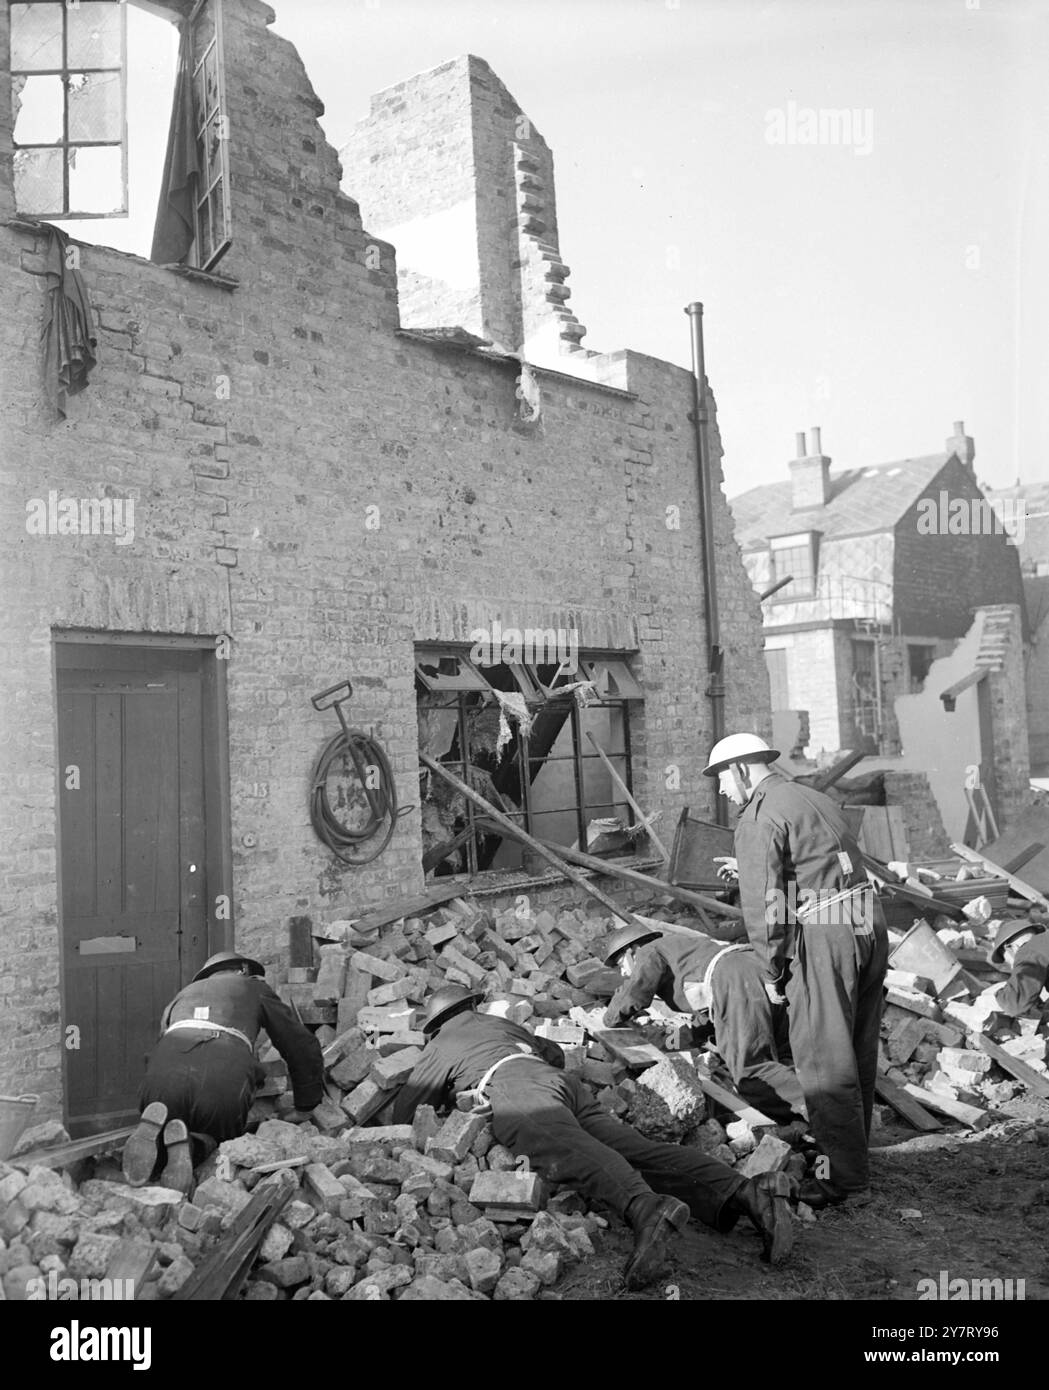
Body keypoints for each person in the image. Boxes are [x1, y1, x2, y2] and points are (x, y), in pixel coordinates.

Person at [391, 985, 794, 1290]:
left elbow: (406, 1111)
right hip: (561, 1083)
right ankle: (744, 1191)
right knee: (635, 1149)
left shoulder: (442, 1042)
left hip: (514, 1088)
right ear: (471, 1005)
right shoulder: (499, 1022)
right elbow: (555, 1054)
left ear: (435, 1025)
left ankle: (644, 1209)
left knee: (571, 1150)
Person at [703, 733, 888, 1208]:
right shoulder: (813, 796)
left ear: (742, 769)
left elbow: (768, 908)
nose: (723, 791)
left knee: (823, 1061)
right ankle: (856, 1158)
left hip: (828, 936)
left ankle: (840, 1181)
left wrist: (772, 971)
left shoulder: (759, 814)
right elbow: (812, 867)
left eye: (722, 777)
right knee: (856, 1049)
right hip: (866, 920)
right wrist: (750, 869)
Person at [122, 951, 324, 1192]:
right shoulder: (252, 988)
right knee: (219, 1139)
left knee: (170, 1121)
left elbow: (158, 1050)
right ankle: (194, 1147)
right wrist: (306, 1104)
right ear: (242, 970)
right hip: (222, 1078)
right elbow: (299, 1045)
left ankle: (155, 1148)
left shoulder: (181, 996)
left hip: (161, 1079)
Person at [602, 922, 806, 1124]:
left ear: (633, 950)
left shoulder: (649, 950)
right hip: (764, 973)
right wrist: (686, 1038)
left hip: (734, 980)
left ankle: (821, 1109)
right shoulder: (684, 952)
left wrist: (607, 1018)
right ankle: (813, 1116)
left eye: (621, 965)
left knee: (751, 1071)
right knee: (788, 1056)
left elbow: (635, 991)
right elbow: (709, 1012)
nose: (623, 973)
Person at [972, 917, 1049, 1032]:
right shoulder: (1044, 943)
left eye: (1010, 962)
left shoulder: (1029, 951)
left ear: (1011, 948)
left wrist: (988, 1001)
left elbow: (1014, 1003)